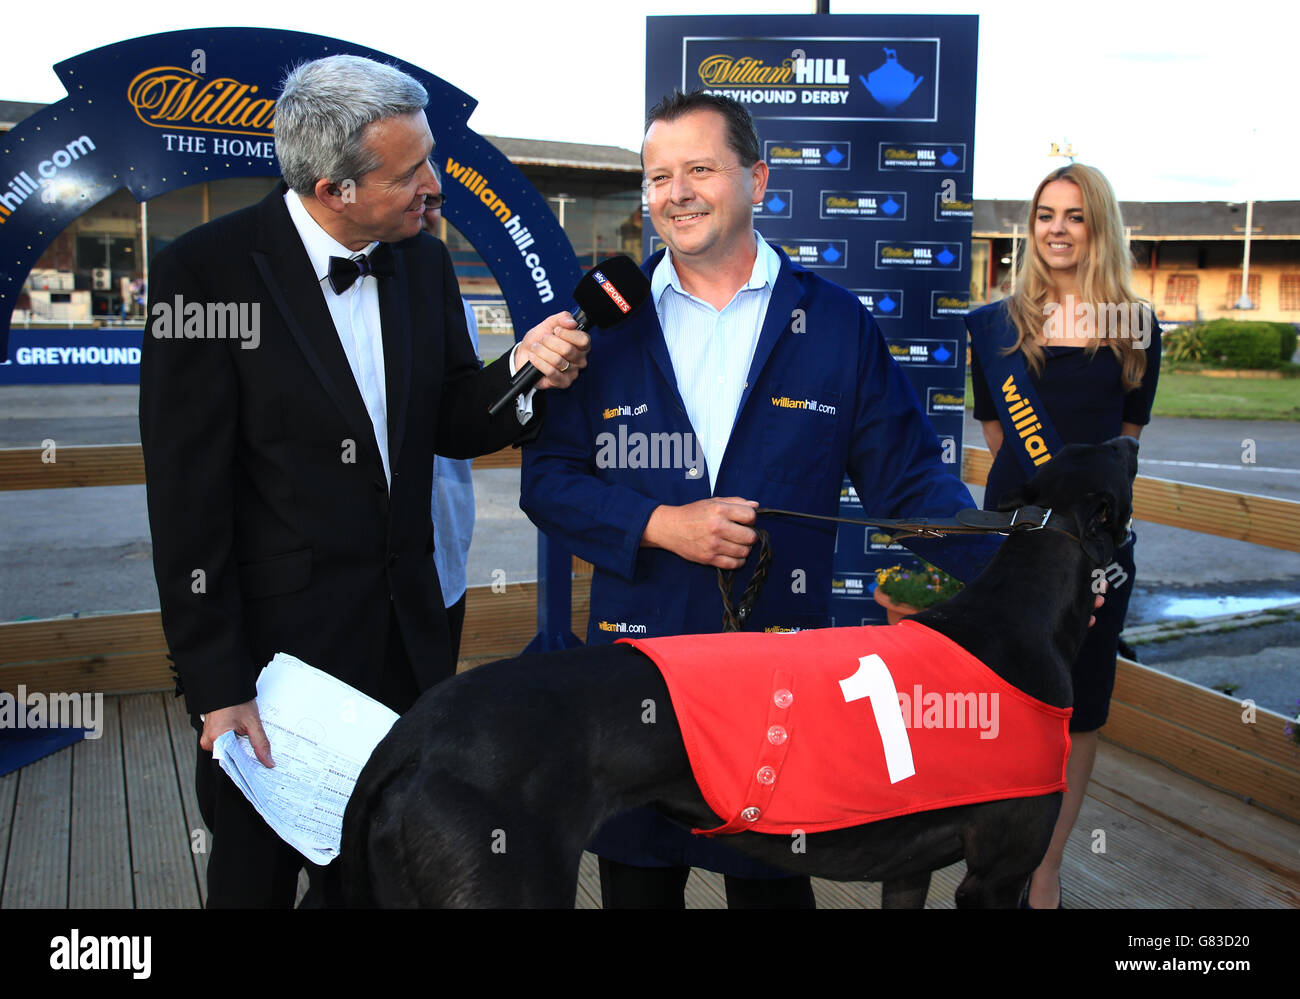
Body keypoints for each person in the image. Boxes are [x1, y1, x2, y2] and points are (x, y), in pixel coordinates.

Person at [520, 90, 996, 909]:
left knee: (774, 898)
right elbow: (549, 482)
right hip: (639, 675)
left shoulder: (836, 325)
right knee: (638, 891)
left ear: (759, 180)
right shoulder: (598, 326)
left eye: (699, 168)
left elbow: (911, 486)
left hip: (779, 684)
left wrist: (1017, 564)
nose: (675, 192)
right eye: (658, 175)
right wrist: (664, 525)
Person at [139, 54, 589, 908]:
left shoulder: (419, 259)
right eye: (410, 170)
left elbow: (454, 416)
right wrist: (218, 683)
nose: (435, 183)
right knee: (253, 882)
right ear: (333, 187)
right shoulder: (205, 273)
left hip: (408, 641)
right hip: (274, 673)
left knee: (382, 880)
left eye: (430, 157)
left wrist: (524, 373)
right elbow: (185, 497)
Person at [966, 162, 1160, 909]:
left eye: (1074, 215)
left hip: (1097, 558)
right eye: (1045, 214)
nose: (1056, 228)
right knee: (1004, 702)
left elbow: (1123, 450)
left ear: (1098, 227)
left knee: (1078, 710)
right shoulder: (995, 326)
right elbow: (1000, 438)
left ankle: (1046, 869)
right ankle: (993, 865)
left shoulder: (1136, 328)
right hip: (1012, 547)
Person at [422, 173, 478, 663]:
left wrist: (525, 376)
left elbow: (463, 416)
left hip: (442, 562)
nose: (427, 209)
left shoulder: (456, 304)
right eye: (410, 190)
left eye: (434, 200)